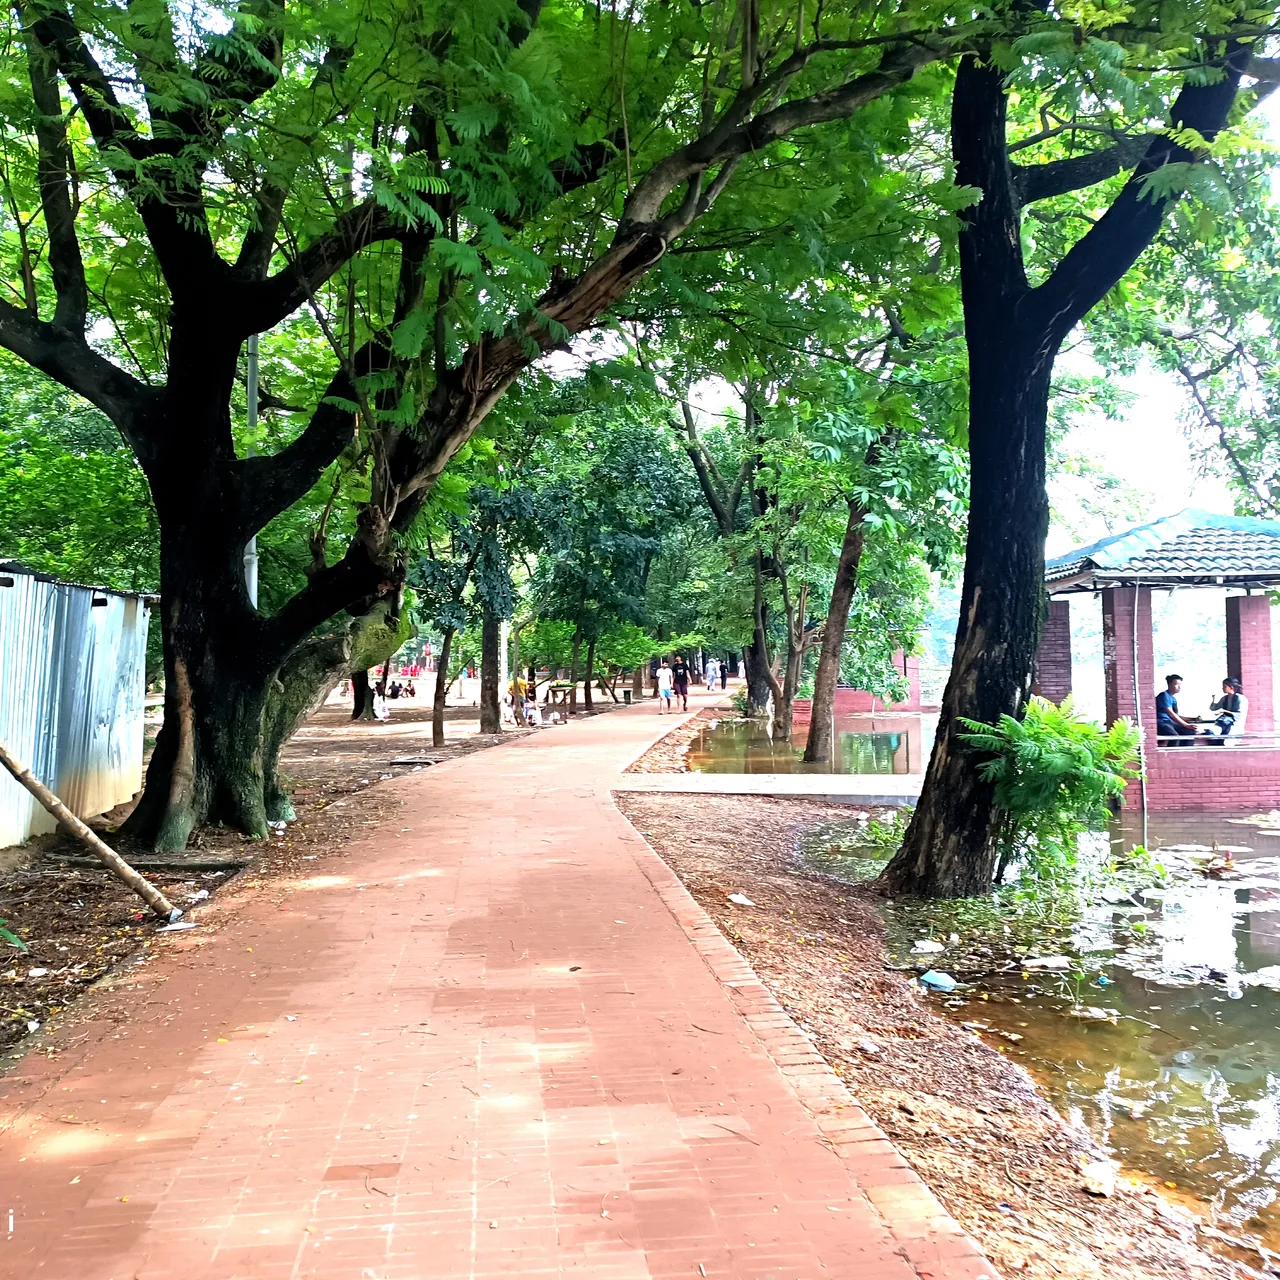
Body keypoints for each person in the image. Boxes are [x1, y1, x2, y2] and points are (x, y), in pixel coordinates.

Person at [1155, 674, 1198, 745]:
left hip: (1170, 722)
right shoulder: (1164, 695)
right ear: (1169, 685)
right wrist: (1186, 725)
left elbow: (1176, 715)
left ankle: (1184, 754)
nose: (1179, 687)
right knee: (1174, 737)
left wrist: (1193, 719)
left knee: (1189, 733)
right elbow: (1171, 713)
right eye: (1176, 684)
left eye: (1180, 684)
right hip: (1162, 723)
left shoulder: (1173, 699)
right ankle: (1170, 755)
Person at [1207, 677, 1248, 742]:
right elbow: (1214, 708)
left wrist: (1224, 711)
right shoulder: (1225, 698)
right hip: (1224, 723)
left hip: (1234, 725)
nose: (1223, 688)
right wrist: (1213, 700)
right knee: (1210, 733)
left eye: (1225, 686)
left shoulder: (1240, 698)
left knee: (1226, 741)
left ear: (1231, 687)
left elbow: (1239, 715)